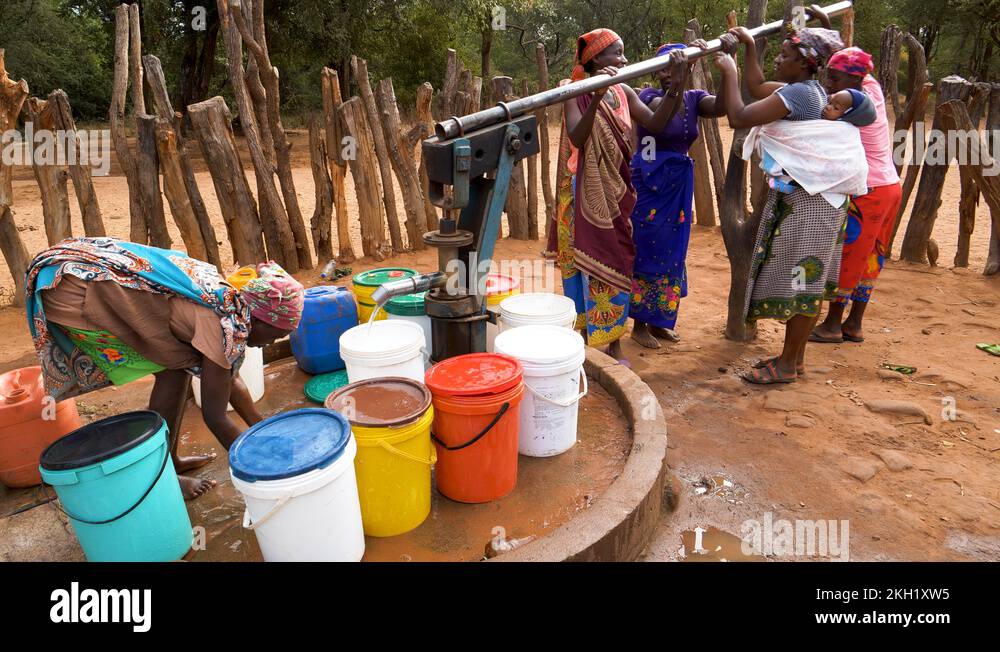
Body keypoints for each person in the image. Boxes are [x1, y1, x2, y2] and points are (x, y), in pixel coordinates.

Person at [26, 237, 304, 499]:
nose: (269, 344)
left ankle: (169, 459)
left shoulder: (234, 305)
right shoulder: (222, 326)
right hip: (72, 291)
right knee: (172, 373)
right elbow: (215, 417)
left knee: (175, 368)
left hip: (79, 269)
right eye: (275, 335)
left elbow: (228, 378)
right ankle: (163, 473)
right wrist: (265, 471)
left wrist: (262, 428)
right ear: (262, 318)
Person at [716, 24, 867, 384]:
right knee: (806, 278)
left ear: (804, 62)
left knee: (804, 281)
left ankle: (786, 366)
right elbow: (756, 89)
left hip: (811, 203)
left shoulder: (799, 94)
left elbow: (738, 116)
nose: (778, 60)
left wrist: (730, 71)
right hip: (818, 201)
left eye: (784, 55)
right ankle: (793, 359)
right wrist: (751, 47)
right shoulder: (808, 90)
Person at [546, 28, 687, 366]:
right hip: (580, 191)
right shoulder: (571, 90)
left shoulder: (624, 91)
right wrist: (594, 95)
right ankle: (582, 335)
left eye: (623, 53)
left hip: (615, 191)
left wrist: (679, 84)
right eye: (616, 53)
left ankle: (613, 342)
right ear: (596, 59)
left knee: (618, 258)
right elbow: (578, 137)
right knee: (580, 261)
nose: (624, 60)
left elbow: (657, 121)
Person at [628, 40, 727, 349]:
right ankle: (639, 325)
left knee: (673, 252)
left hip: (677, 186)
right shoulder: (650, 96)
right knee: (647, 247)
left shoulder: (695, 98)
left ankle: (660, 321)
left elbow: (722, 107)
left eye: (677, 67)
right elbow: (657, 122)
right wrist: (679, 85)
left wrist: (727, 64)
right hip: (649, 181)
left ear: (690, 66)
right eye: (665, 68)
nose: (670, 74)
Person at [811, 46, 903, 344]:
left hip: (868, 189)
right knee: (871, 256)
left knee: (848, 254)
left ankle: (833, 325)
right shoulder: (871, 86)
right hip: (889, 186)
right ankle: (854, 323)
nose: (828, 85)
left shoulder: (853, 103)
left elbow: (824, 118)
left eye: (834, 79)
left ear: (852, 80)